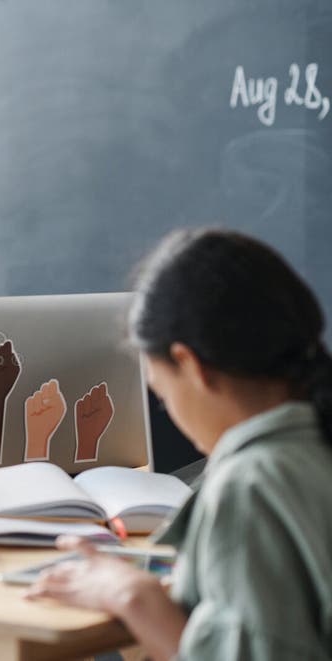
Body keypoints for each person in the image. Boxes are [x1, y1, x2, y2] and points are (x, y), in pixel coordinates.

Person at [26, 229, 332, 660]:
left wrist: (133, 596)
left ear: (192, 366)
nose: (172, 412)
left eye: (163, 396)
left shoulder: (251, 484)